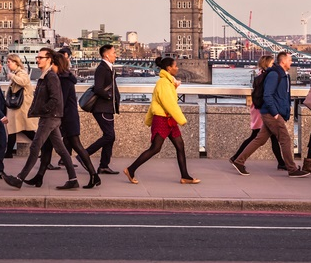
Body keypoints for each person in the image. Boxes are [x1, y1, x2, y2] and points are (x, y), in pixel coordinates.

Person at [3, 48, 81, 190]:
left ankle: (19, 179)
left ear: (49, 59)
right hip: (52, 117)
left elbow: (55, 99)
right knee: (61, 149)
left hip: (50, 117)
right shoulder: (45, 75)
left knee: (35, 147)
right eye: (37, 57)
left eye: (40, 57)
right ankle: (73, 179)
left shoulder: (51, 76)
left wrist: (43, 110)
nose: (37, 60)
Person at [28, 49, 99, 189]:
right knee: (47, 147)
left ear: (56, 64)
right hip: (61, 117)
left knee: (76, 145)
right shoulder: (61, 78)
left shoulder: (63, 80)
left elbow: (60, 101)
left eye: (52, 64)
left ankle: (93, 175)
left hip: (67, 118)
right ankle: (39, 177)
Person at [230, 52, 309, 178]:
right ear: (283, 61)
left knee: (259, 140)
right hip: (271, 113)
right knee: (285, 140)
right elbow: (267, 95)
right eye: (290, 60)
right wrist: (275, 113)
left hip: (274, 112)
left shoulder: (284, 75)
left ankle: (239, 161)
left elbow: (283, 95)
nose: (292, 62)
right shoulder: (274, 75)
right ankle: (292, 169)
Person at [124, 57, 199, 184]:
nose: (177, 68)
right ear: (169, 68)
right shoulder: (163, 83)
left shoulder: (168, 82)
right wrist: (181, 119)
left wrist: (174, 87)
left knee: (180, 145)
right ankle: (130, 169)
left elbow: (162, 99)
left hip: (169, 119)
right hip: (162, 119)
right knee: (155, 148)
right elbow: (169, 103)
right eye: (175, 66)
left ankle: (185, 176)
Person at [230, 55, 286, 170]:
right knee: (258, 136)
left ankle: (281, 162)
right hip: (262, 109)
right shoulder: (267, 76)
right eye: (272, 63)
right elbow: (267, 94)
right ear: (267, 64)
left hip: (259, 108)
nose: (274, 65)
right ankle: (236, 158)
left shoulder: (261, 75)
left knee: (268, 136)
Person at [85, 44, 121, 175]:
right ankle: (84, 154)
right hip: (102, 108)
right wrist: (110, 96)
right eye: (114, 53)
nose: (116, 55)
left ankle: (104, 166)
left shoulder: (109, 68)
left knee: (110, 137)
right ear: (106, 55)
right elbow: (98, 88)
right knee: (109, 136)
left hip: (108, 108)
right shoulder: (102, 69)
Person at [3, 54, 36, 160]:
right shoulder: (17, 73)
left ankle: (43, 145)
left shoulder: (21, 73)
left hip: (21, 107)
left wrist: (12, 76)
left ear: (15, 62)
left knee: (24, 129)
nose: (7, 64)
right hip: (17, 107)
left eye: (9, 62)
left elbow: (24, 82)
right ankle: (8, 152)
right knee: (13, 128)